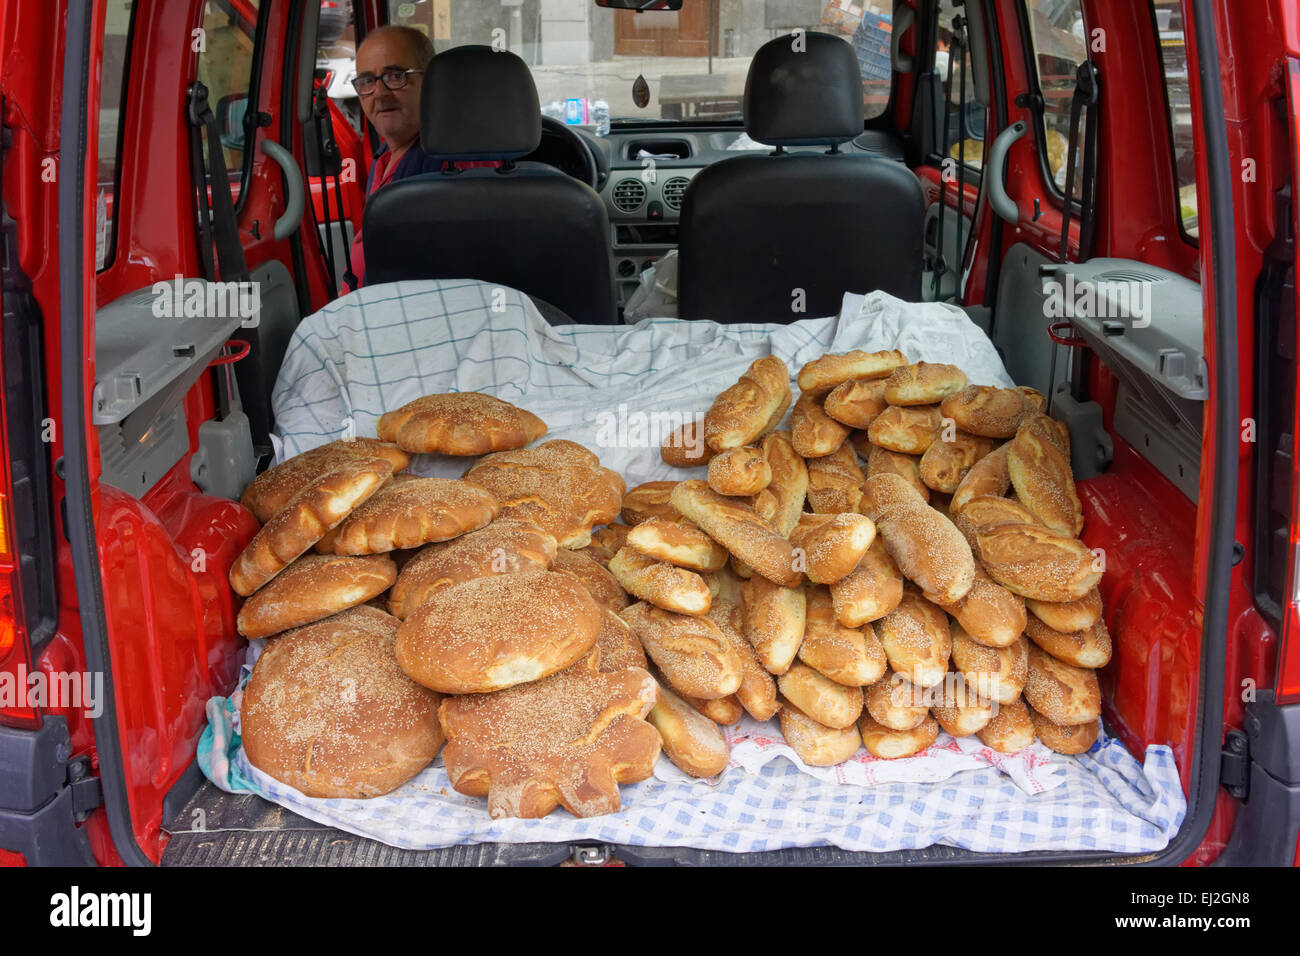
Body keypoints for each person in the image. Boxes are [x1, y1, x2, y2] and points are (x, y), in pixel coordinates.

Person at [344, 25, 495, 290]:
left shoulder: (456, 166)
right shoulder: (386, 158)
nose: (379, 93)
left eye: (395, 75)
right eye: (367, 80)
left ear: (432, 82)